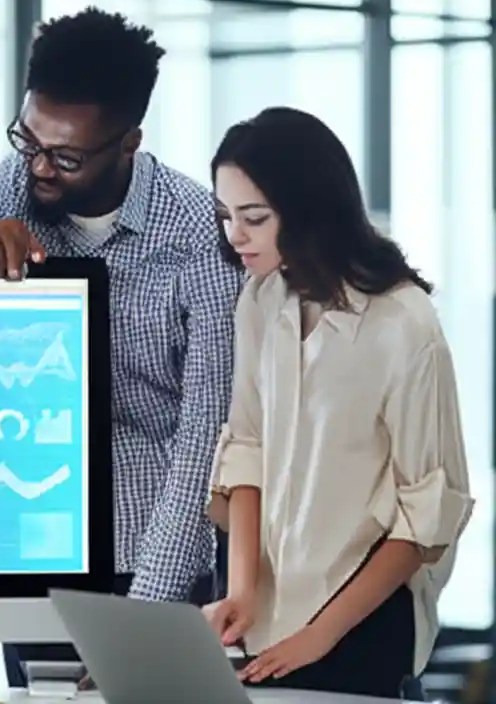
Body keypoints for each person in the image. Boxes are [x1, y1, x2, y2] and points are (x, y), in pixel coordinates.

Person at [0, 8, 243, 687]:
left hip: (152, 547)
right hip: (32, 534)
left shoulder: (199, 236)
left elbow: (203, 436)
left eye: (65, 157)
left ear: (129, 142)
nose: (39, 169)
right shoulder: (11, 184)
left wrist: (141, 622)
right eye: (27, 139)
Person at [203, 106, 473, 699]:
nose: (235, 235)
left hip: (361, 626)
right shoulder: (261, 300)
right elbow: (246, 447)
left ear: (308, 210)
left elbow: (425, 513)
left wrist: (320, 636)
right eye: (226, 216)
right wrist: (243, 591)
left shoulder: (403, 324)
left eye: (254, 217)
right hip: (264, 621)